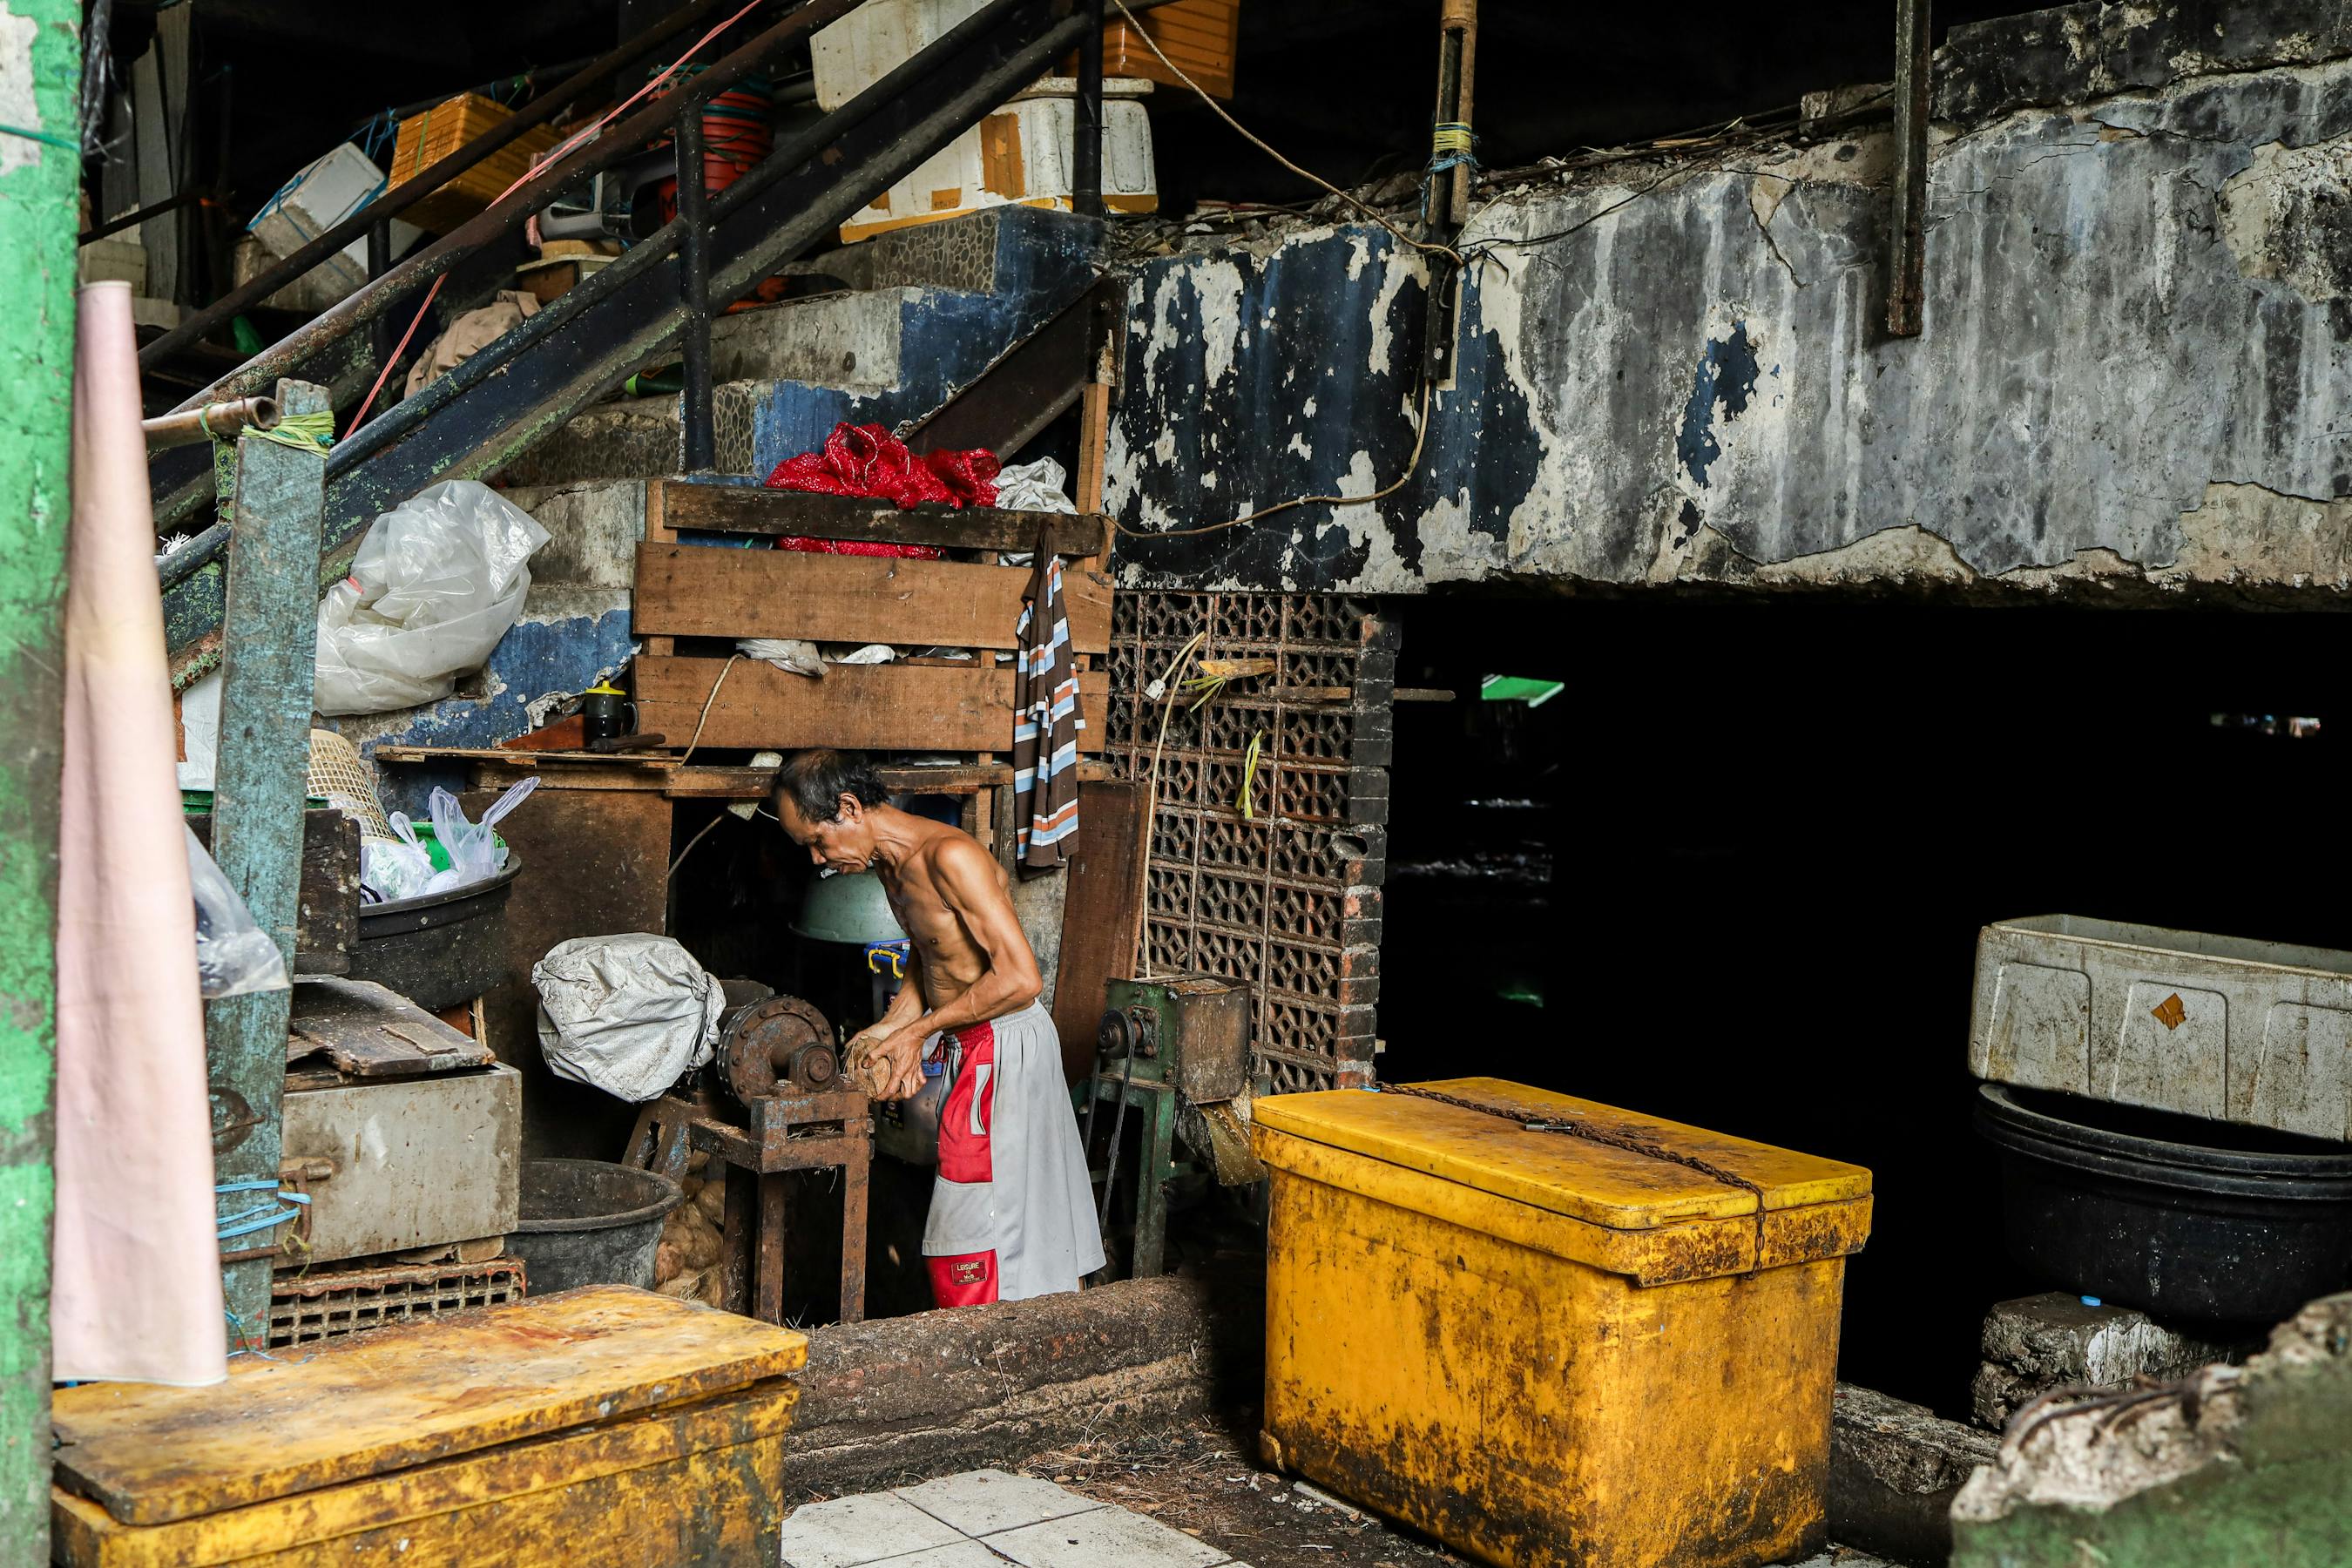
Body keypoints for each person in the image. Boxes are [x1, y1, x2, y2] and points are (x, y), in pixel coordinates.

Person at [770, 748, 1105, 1305]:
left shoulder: (949, 856)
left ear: (849, 809)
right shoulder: (887, 865)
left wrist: (919, 1032)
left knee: (989, 1221)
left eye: (816, 841)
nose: (815, 859)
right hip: (969, 1041)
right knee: (994, 1215)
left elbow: (1022, 979)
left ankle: (1004, 1356)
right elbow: (931, 959)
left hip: (1006, 1041)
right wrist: (891, 1027)